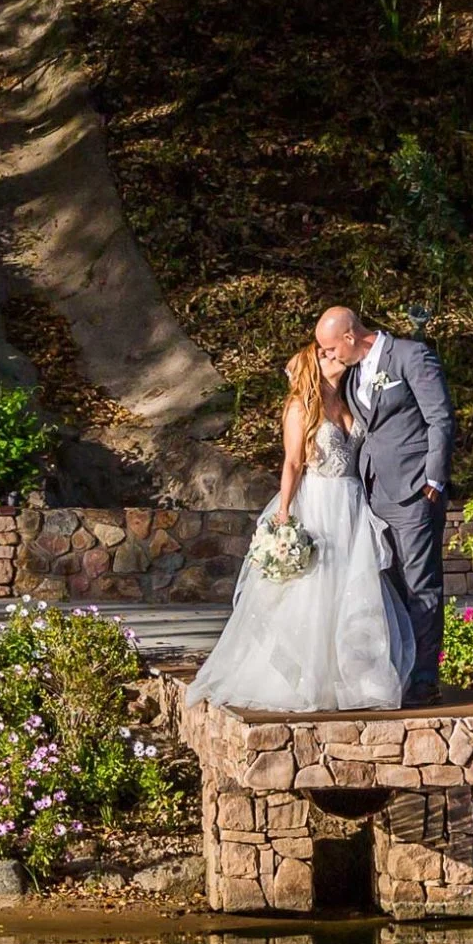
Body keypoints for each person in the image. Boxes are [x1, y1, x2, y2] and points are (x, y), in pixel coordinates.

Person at [187, 339, 416, 712]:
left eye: (333, 351)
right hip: (319, 503)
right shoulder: (300, 407)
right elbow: (292, 463)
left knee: (352, 592)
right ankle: (305, 680)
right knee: (313, 591)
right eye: (324, 354)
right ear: (314, 364)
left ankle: (354, 679)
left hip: (353, 504)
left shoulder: (352, 400)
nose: (333, 356)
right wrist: (284, 513)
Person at [315, 305, 455, 705]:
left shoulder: (412, 356)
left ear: (349, 336)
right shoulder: (353, 371)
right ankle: (396, 674)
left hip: (414, 490)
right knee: (389, 588)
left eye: (331, 348)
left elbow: (440, 418)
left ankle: (423, 682)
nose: (330, 356)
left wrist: (434, 479)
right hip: (373, 491)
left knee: (420, 585)